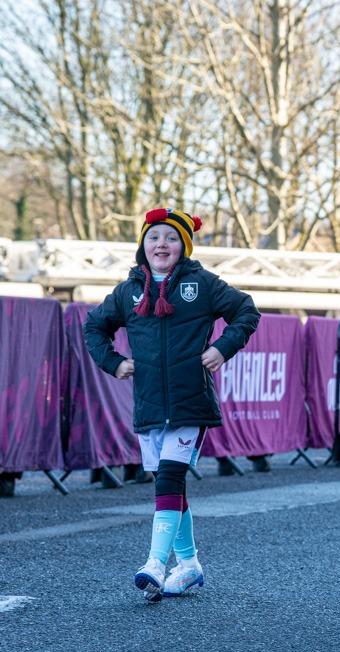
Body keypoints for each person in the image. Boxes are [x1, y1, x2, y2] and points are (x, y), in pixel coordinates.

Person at [85, 207, 260, 602]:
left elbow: (246, 311)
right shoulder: (128, 291)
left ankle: (154, 564)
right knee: (169, 486)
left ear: (184, 245)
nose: (161, 244)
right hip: (148, 404)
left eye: (170, 238)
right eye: (153, 237)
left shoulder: (201, 283)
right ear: (142, 245)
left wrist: (222, 348)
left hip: (189, 401)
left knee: (168, 479)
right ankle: (190, 565)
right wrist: (113, 362)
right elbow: (94, 326)